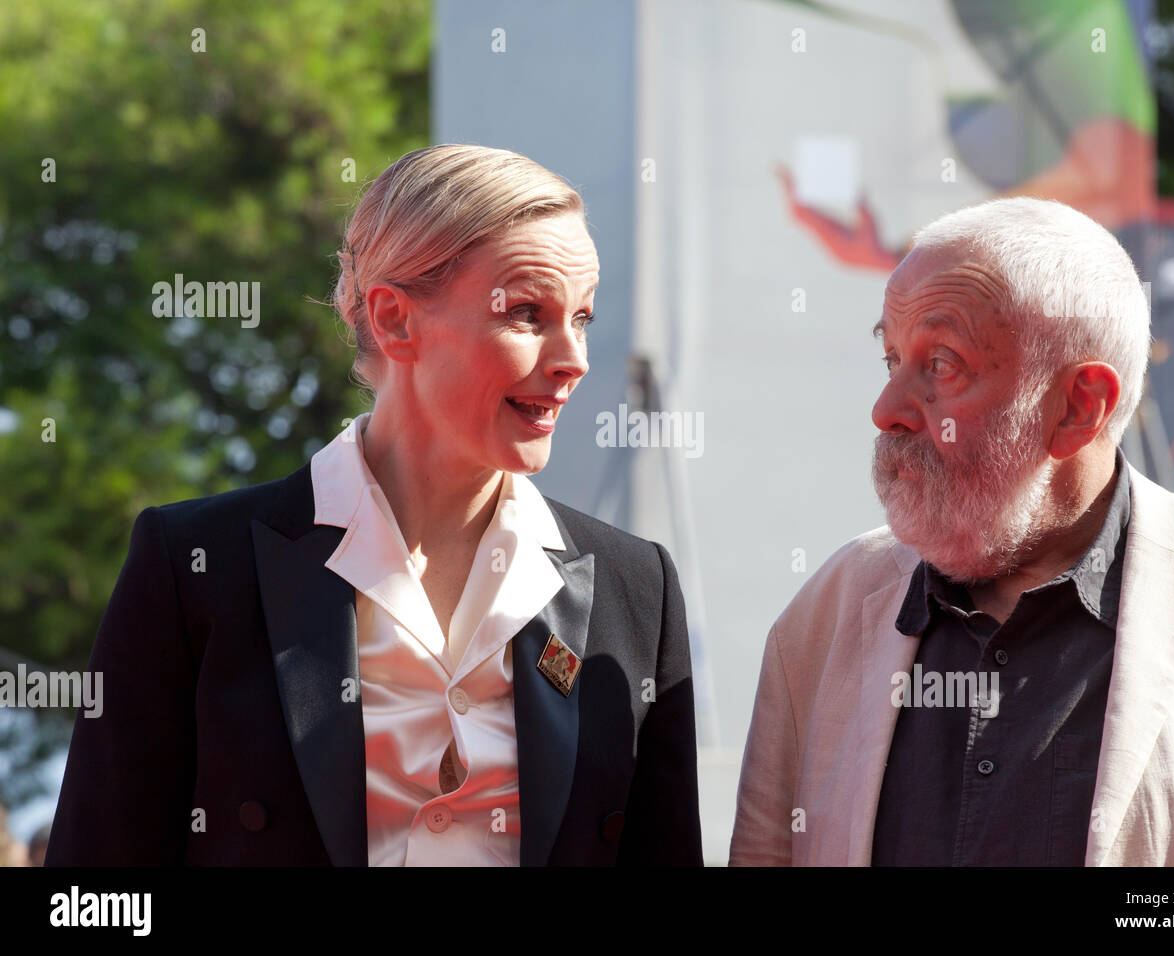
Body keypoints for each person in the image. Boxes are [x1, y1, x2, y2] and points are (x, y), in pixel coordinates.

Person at [46, 144, 702, 866]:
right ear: (394, 321)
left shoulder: (638, 588)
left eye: (581, 317)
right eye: (526, 313)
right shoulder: (194, 566)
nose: (573, 357)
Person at [730, 197, 1174, 866]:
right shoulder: (823, 617)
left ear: (1080, 406)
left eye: (941, 364)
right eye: (892, 360)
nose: (886, 411)